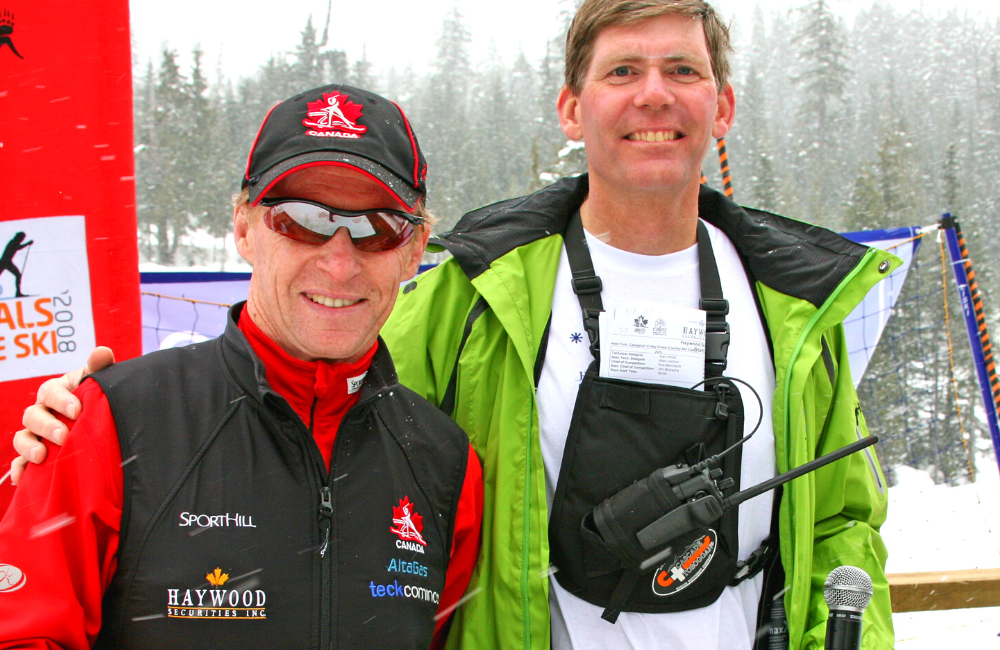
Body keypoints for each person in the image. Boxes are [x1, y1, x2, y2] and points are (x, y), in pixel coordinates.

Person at [12, 2, 897, 648]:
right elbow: (307, 375)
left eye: (684, 70)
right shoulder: (479, 296)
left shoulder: (793, 310)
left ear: (723, 105)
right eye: (622, 71)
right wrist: (88, 419)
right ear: (570, 108)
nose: (653, 97)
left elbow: (842, 526)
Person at [0, 84, 482, 649]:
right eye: (302, 220)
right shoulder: (111, 420)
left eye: (377, 228)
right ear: (244, 228)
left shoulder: (446, 462)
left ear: (413, 248)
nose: (338, 261)